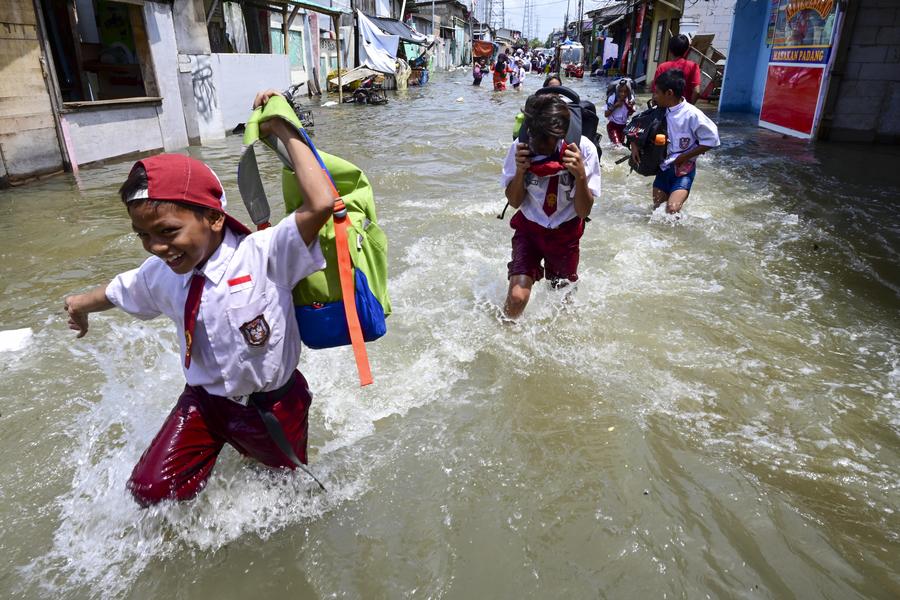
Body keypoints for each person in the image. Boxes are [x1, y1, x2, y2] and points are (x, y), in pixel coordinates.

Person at [63, 90, 336, 506]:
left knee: (287, 491)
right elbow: (120, 290)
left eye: (168, 232)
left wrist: (281, 125)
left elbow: (320, 203)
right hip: (205, 405)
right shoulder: (162, 274)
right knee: (150, 492)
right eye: (144, 236)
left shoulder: (264, 253)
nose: (156, 247)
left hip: (274, 406)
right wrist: (80, 304)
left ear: (213, 218)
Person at [501, 94, 602, 318]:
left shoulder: (584, 150)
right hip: (530, 228)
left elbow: (584, 211)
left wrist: (581, 175)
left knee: (562, 305)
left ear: (561, 134)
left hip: (565, 233)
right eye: (535, 139)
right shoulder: (521, 147)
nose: (538, 147)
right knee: (518, 297)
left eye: (545, 142)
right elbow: (515, 201)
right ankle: (502, 331)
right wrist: (520, 171)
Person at [632, 69, 720, 214]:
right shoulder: (658, 111)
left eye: (657, 93)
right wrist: (634, 145)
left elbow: (712, 139)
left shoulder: (692, 115)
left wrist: (684, 157)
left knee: (672, 209)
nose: (654, 96)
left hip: (684, 170)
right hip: (663, 168)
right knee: (658, 210)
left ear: (669, 93)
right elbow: (635, 126)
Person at [651, 34, 702, 103]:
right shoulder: (693, 67)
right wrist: (689, 106)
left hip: (664, 109)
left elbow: (655, 91)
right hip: (683, 109)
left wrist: (655, 107)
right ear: (687, 50)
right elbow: (697, 91)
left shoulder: (662, 67)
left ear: (670, 49)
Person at [605, 78, 635, 146]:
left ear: (629, 92)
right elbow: (606, 114)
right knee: (617, 146)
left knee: (621, 144)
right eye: (620, 91)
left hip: (623, 127)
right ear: (617, 91)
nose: (622, 94)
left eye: (625, 92)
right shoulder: (612, 98)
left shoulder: (630, 99)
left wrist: (630, 107)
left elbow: (630, 113)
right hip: (612, 126)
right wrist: (615, 106)